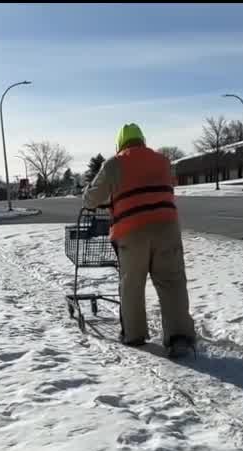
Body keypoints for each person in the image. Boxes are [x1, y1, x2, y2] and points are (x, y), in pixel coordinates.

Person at [83, 123, 196, 356]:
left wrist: (94, 195)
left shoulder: (114, 163)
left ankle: (134, 335)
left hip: (132, 231)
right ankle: (179, 337)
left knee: (132, 284)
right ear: (142, 140)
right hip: (167, 228)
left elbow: (92, 199)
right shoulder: (163, 161)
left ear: (120, 143)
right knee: (172, 283)